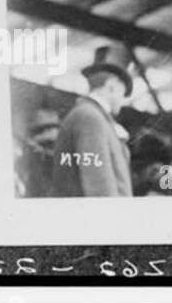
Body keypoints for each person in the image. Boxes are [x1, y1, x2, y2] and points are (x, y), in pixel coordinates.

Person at [51, 45, 134, 197]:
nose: (124, 102)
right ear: (111, 87)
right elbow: (99, 189)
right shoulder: (91, 119)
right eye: (124, 93)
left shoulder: (92, 117)